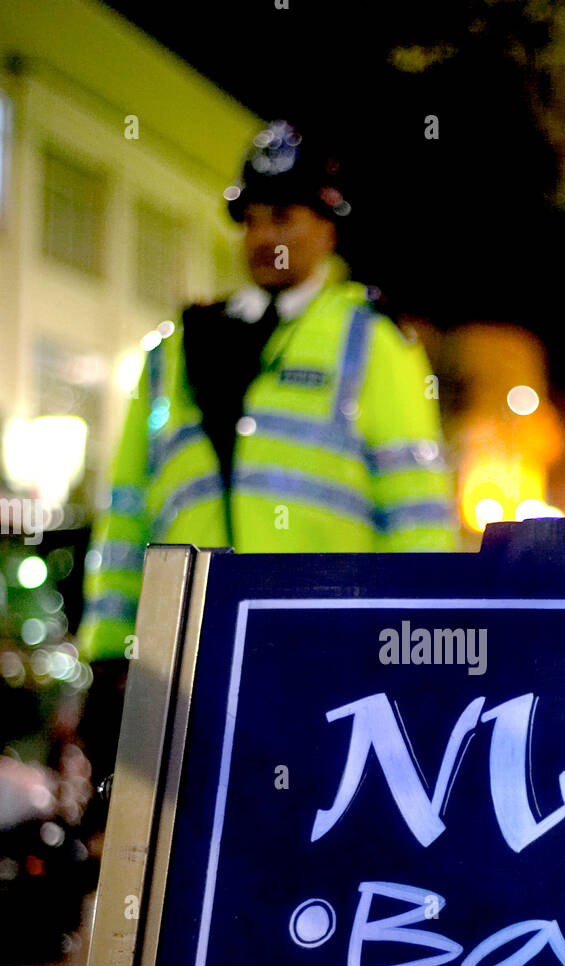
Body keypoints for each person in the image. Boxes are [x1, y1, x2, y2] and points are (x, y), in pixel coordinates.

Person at [76, 119, 457, 793]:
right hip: (185, 665)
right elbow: (127, 512)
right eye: (251, 220)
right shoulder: (172, 352)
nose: (264, 238)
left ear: (329, 227)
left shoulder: (375, 343)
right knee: (185, 876)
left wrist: (419, 657)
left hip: (330, 662)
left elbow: (418, 516)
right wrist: (109, 659)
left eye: (283, 217)